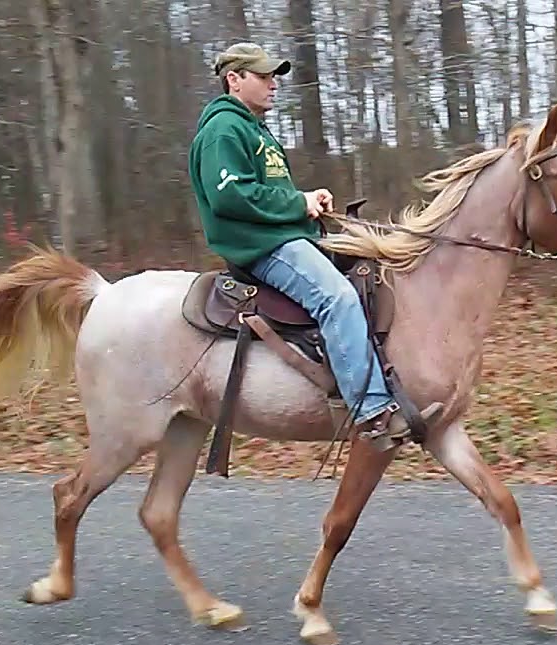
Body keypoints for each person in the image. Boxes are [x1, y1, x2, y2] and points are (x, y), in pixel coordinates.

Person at [187, 42, 441, 451]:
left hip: (284, 236)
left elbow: (267, 193)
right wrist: (297, 203)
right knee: (337, 297)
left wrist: (306, 202)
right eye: (264, 76)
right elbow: (231, 197)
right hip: (261, 249)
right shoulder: (223, 129)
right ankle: (372, 412)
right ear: (234, 80)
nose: (274, 85)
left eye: (275, 77)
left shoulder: (254, 129)